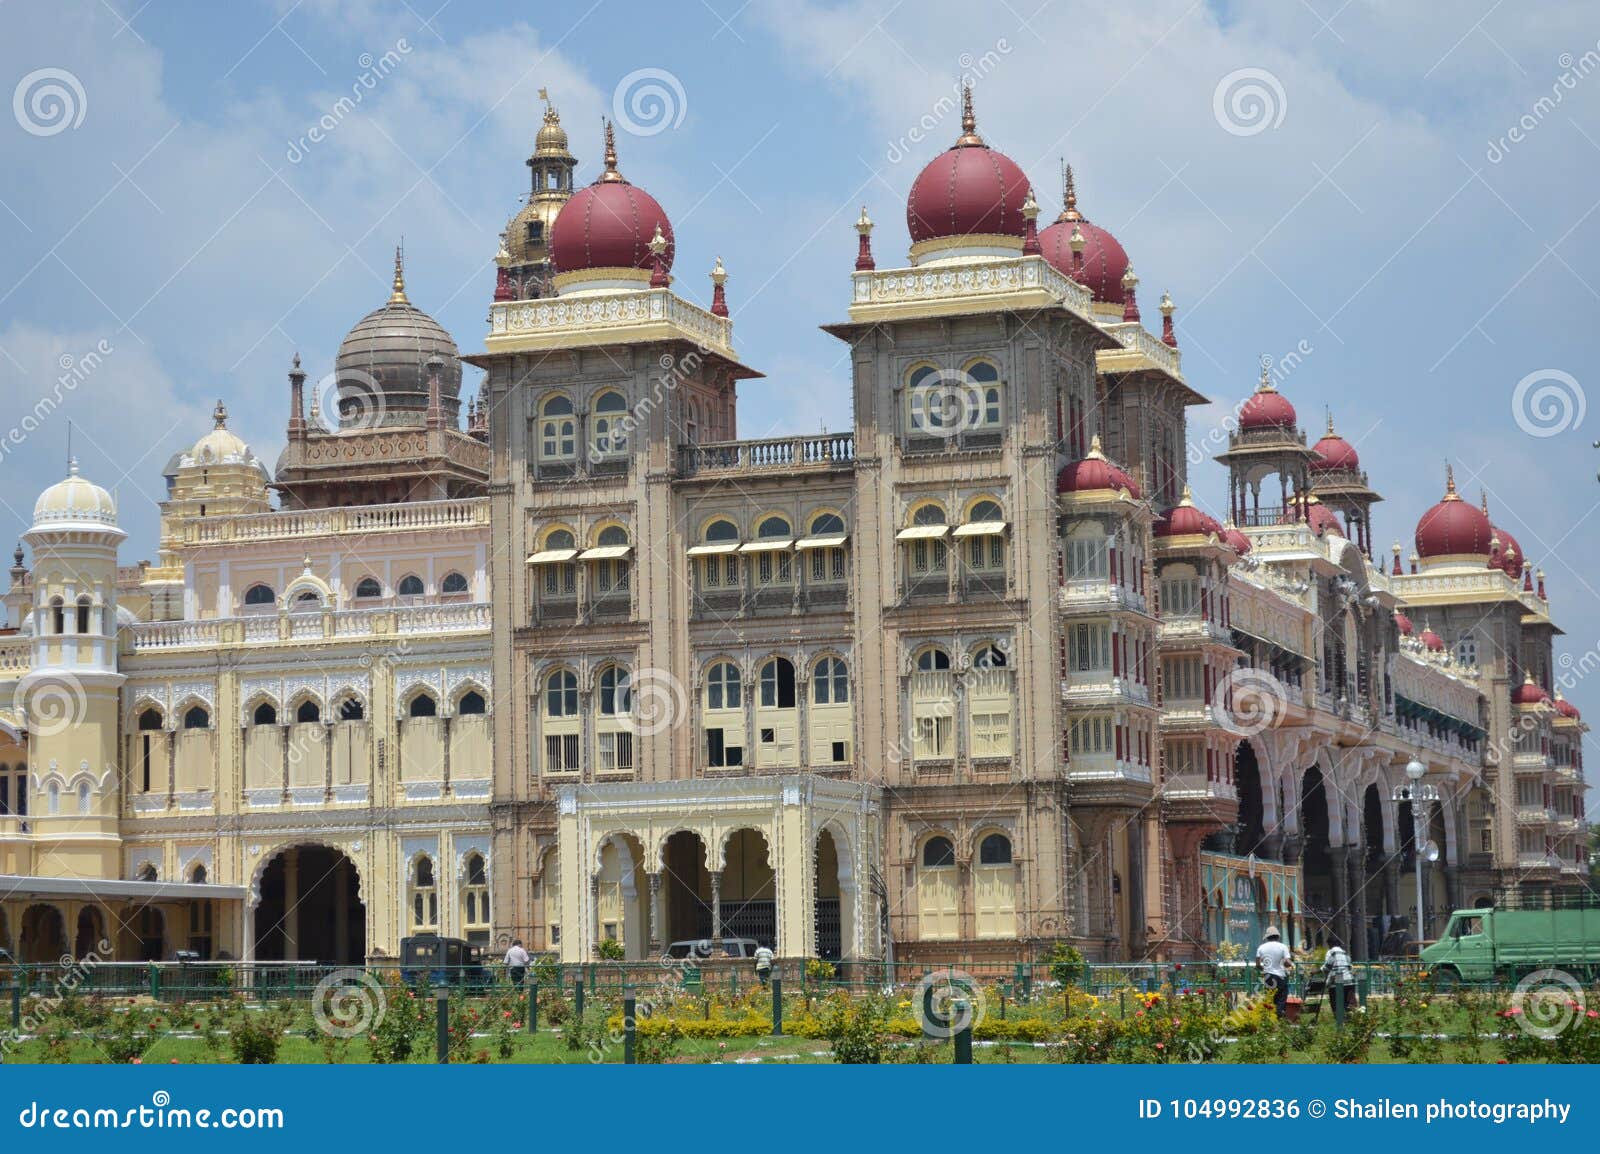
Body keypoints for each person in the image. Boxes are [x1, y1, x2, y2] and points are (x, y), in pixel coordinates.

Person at [1256, 926, 1293, 1018]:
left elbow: (1257, 964)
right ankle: (1279, 1017)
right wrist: (1290, 965)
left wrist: (1264, 969)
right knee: (1281, 998)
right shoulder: (1283, 947)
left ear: (1267, 937)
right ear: (1277, 936)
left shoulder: (1261, 948)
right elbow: (1287, 963)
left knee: (1270, 998)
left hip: (1268, 976)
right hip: (1281, 976)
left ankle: (1270, 1018)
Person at [1322, 935, 1355, 1016]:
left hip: (1337, 983)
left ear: (1330, 944)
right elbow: (1350, 967)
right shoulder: (1345, 954)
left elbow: (1326, 968)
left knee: (1335, 1003)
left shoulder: (1332, 953)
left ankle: (1340, 1021)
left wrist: (1316, 973)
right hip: (1349, 982)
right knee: (1347, 1003)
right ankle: (1350, 1019)